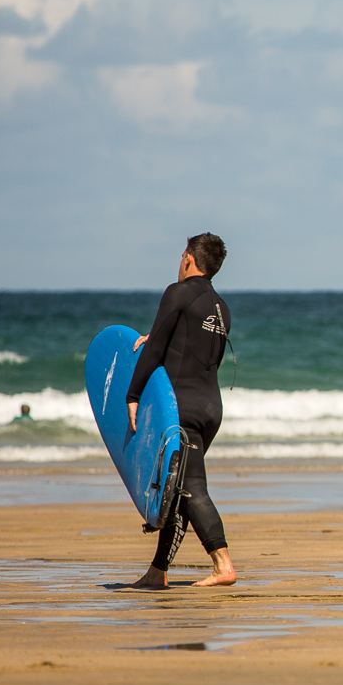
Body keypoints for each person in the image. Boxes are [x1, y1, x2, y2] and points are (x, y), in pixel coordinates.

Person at [126, 234, 236, 590]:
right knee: (176, 491)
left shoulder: (178, 292)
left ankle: (223, 565)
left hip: (181, 409)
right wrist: (157, 338)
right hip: (210, 408)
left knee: (190, 487)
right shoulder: (221, 308)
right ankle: (158, 571)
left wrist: (134, 394)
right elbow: (198, 354)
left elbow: (156, 349)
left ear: (188, 258)